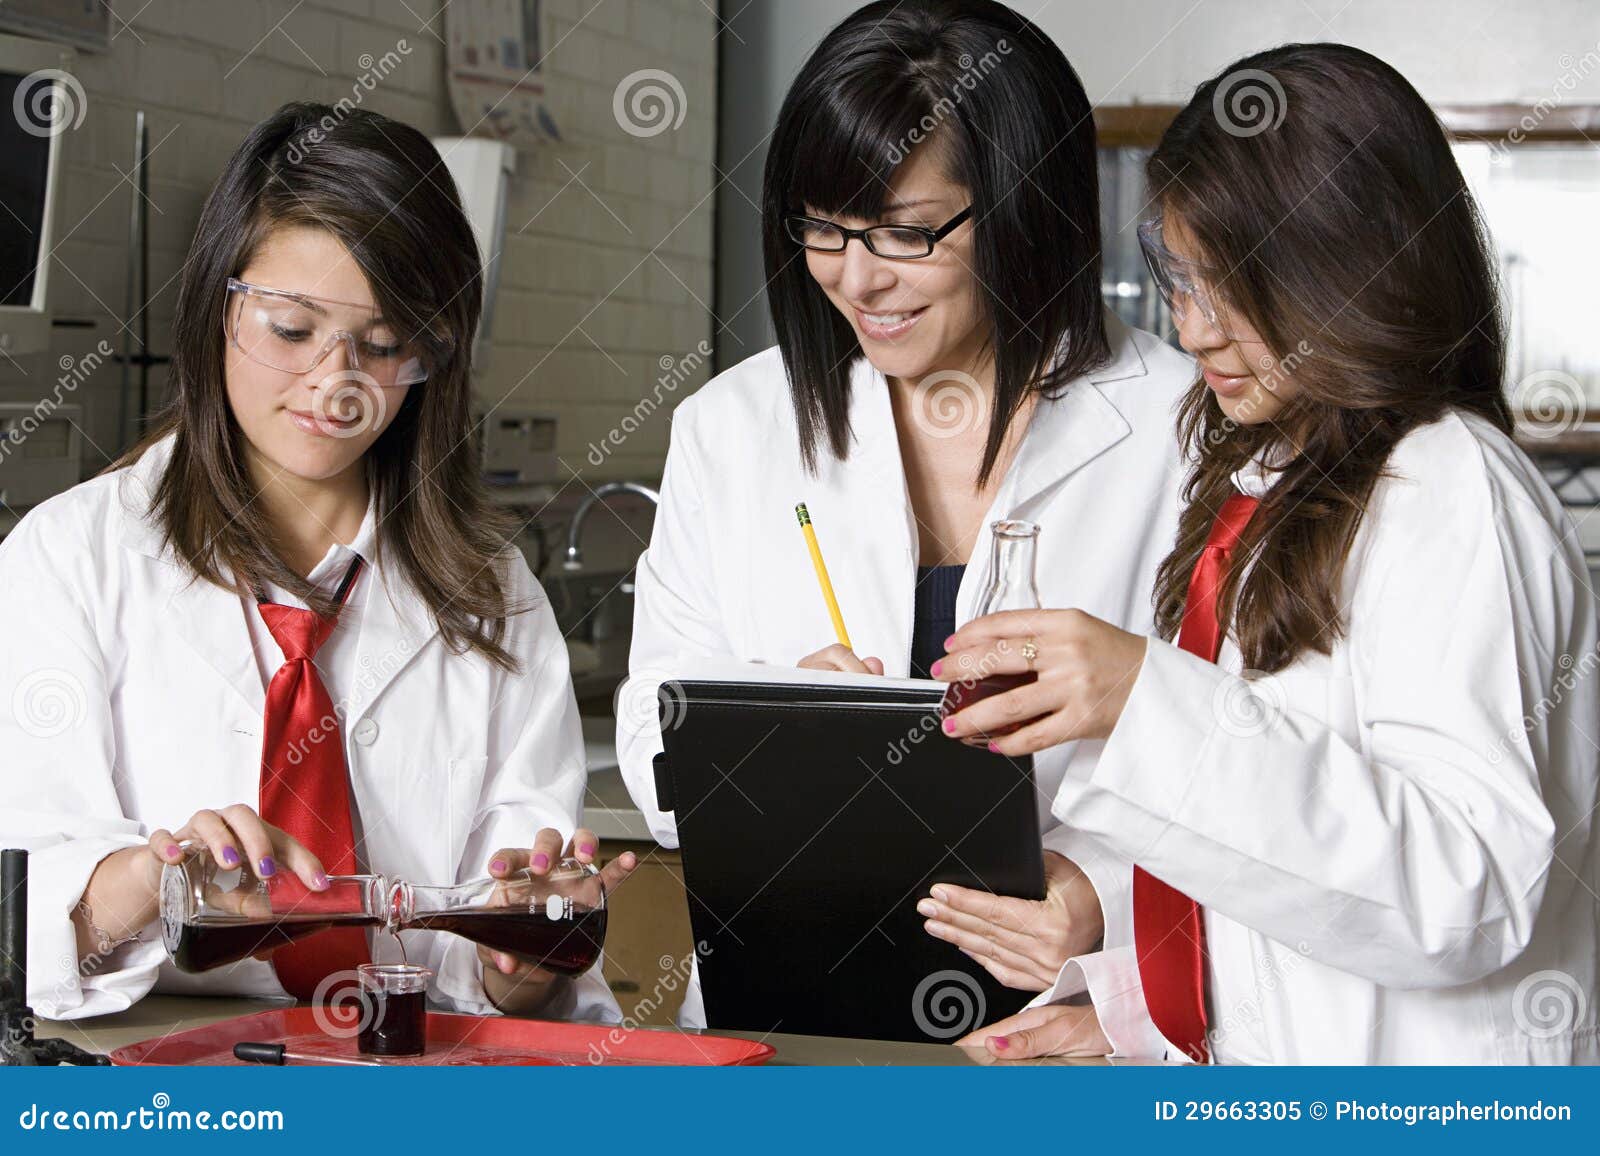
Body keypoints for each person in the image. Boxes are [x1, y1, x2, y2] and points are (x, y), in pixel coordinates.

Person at [932, 43, 1600, 1063]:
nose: (1192, 331)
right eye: (1183, 281)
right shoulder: (1272, 486)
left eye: (1234, 287)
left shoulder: (1452, 485)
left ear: (1346, 269)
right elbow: (1291, 900)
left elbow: (1467, 892)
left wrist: (1140, 695)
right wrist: (1129, 1016)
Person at [616, 0, 1194, 1027]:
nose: (855, 277)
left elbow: (1252, 751)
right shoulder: (733, 428)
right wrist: (766, 734)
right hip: (790, 1013)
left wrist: (1098, 892)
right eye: (824, 229)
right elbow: (650, 722)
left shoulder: (1181, 429)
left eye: (904, 233)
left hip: (1074, 1021)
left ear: (1025, 206)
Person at [0, 103, 633, 1021]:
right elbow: (22, 919)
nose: (334, 383)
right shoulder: (69, 559)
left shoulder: (494, 591)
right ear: (217, 304)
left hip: (413, 1069)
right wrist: (154, 880)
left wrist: (528, 952)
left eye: (382, 346)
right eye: (292, 331)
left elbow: (505, 954)